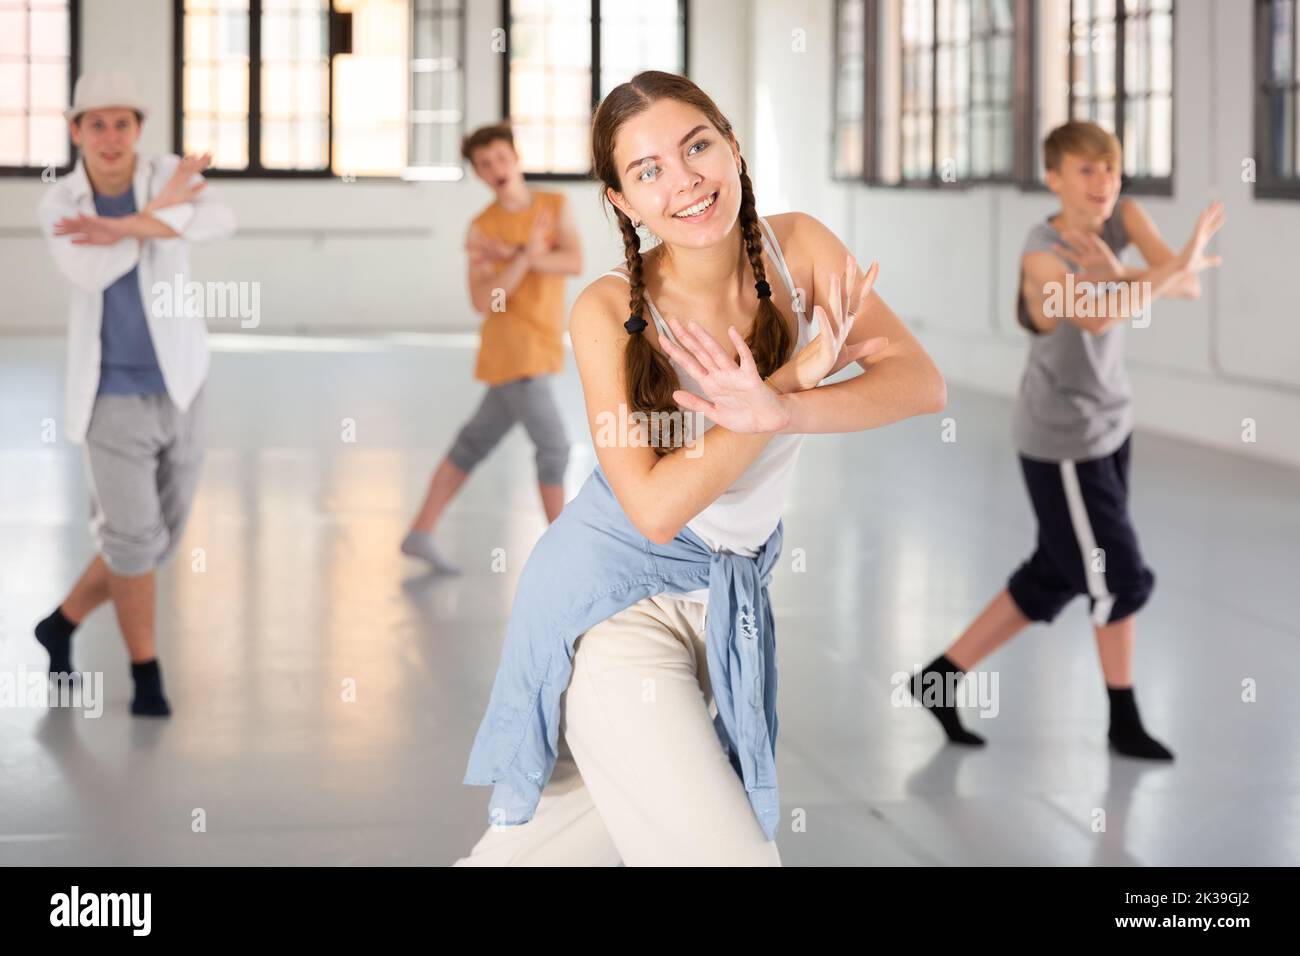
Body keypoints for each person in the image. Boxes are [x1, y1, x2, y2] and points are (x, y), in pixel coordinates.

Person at [454, 71, 945, 866]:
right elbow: (653, 509)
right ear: (622, 202)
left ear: (732, 146)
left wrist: (782, 410)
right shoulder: (608, 310)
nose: (685, 182)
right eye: (648, 171)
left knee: (538, 858)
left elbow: (919, 382)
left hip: (722, 607)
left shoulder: (801, 251)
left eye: (697, 146)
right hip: (615, 612)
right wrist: (786, 383)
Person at [909, 120, 1225, 760]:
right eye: (1086, 170)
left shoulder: (1125, 216)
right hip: (1062, 441)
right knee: (1119, 578)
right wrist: (1145, 274)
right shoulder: (1041, 251)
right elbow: (1097, 311)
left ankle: (940, 679)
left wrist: (1143, 270)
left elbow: (1187, 284)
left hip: (1111, 424)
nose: (1104, 182)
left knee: (1057, 571)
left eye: (1110, 168)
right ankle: (1123, 720)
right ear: (1054, 178)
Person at [33, 68, 236, 716]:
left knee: (156, 541)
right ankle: (146, 672)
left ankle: (60, 622)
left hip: (182, 383)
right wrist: (160, 218)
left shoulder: (167, 171)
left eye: (122, 123)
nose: (111, 135)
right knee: (130, 541)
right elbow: (90, 265)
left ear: (139, 130)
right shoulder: (61, 201)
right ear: (76, 131)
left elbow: (220, 223)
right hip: (109, 396)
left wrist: (127, 222)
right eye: (96, 123)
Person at [401, 123, 583, 573]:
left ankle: (419, 532)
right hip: (515, 353)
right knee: (556, 447)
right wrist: (521, 256)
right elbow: (484, 300)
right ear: (478, 174)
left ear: (515, 157)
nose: (496, 169)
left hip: (540, 346)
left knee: (472, 443)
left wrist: (512, 256)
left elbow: (573, 261)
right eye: (485, 164)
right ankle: (565, 554)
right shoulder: (482, 227)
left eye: (501, 158)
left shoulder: (553, 205)